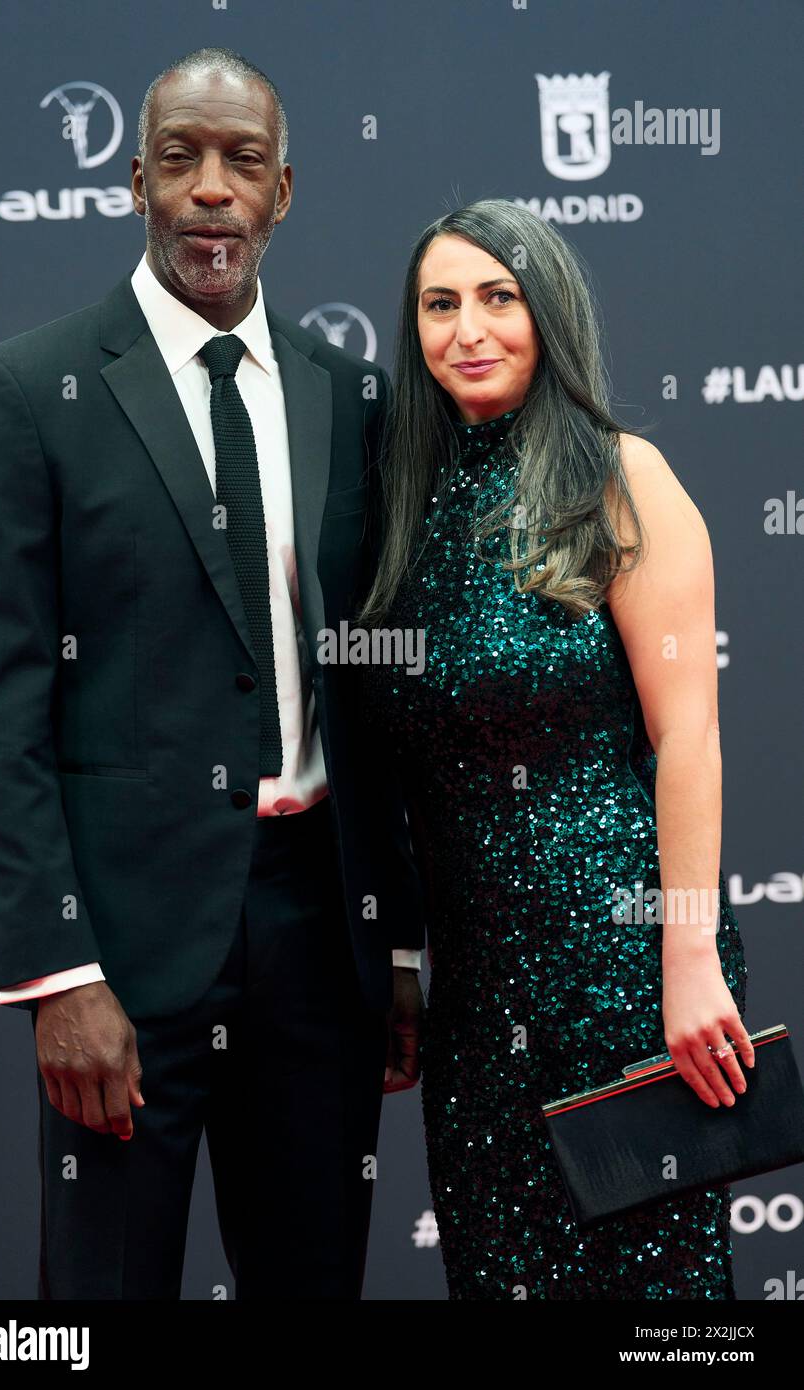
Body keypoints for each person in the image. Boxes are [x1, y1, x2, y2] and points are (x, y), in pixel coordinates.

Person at [0, 46, 426, 1300]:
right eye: (180, 160)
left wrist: (400, 942)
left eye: (241, 163)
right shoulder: (22, 393)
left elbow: (373, 692)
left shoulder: (350, 396)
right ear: (136, 184)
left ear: (283, 193)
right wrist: (58, 975)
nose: (212, 190)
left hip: (319, 943)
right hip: (121, 957)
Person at [358, 199, 752, 1299]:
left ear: (550, 313)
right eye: (439, 304)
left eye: (499, 297)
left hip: (626, 968)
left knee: (652, 1289)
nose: (466, 330)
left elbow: (686, 736)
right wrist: (404, 965)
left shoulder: (622, 479)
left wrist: (687, 960)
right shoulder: (404, 507)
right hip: (478, 994)